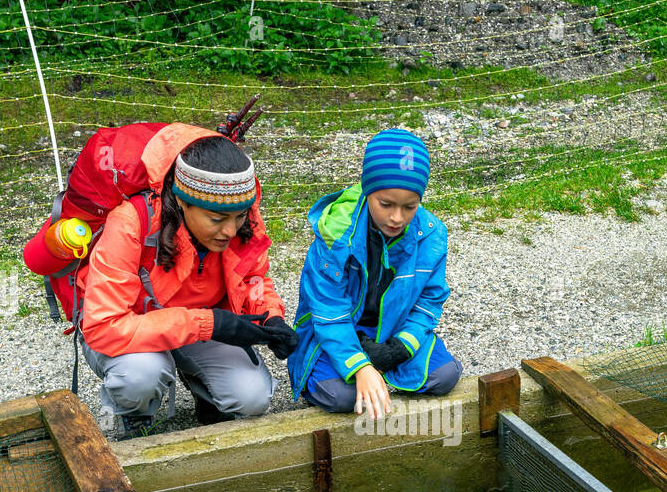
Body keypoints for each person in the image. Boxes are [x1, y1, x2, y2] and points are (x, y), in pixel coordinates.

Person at [75, 124, 298, 437]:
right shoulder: (131, 223)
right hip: (134, 327)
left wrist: (271, 317)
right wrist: (210, 324)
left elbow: (254, 276)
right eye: (217, 219)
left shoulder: (238, 213)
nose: (231, 231)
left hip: (200, 322)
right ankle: (133, 414)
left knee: (252, 397)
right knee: (141, 375)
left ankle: (209, 396)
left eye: (240, 217)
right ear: (181, 201)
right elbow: (104, 327)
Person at [287, 128, 460, 417]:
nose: (397, 217)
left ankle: (379, 371)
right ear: (368, 191)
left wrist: (402, 347)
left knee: (445, 375)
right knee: (344, 398)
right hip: (336, 328)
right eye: (386, 204)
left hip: (391, 329)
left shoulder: (432, 234)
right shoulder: (335, 234)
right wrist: (361, 365)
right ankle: (326, 375)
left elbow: (429, 301)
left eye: (409, 207)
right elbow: (327, 309)